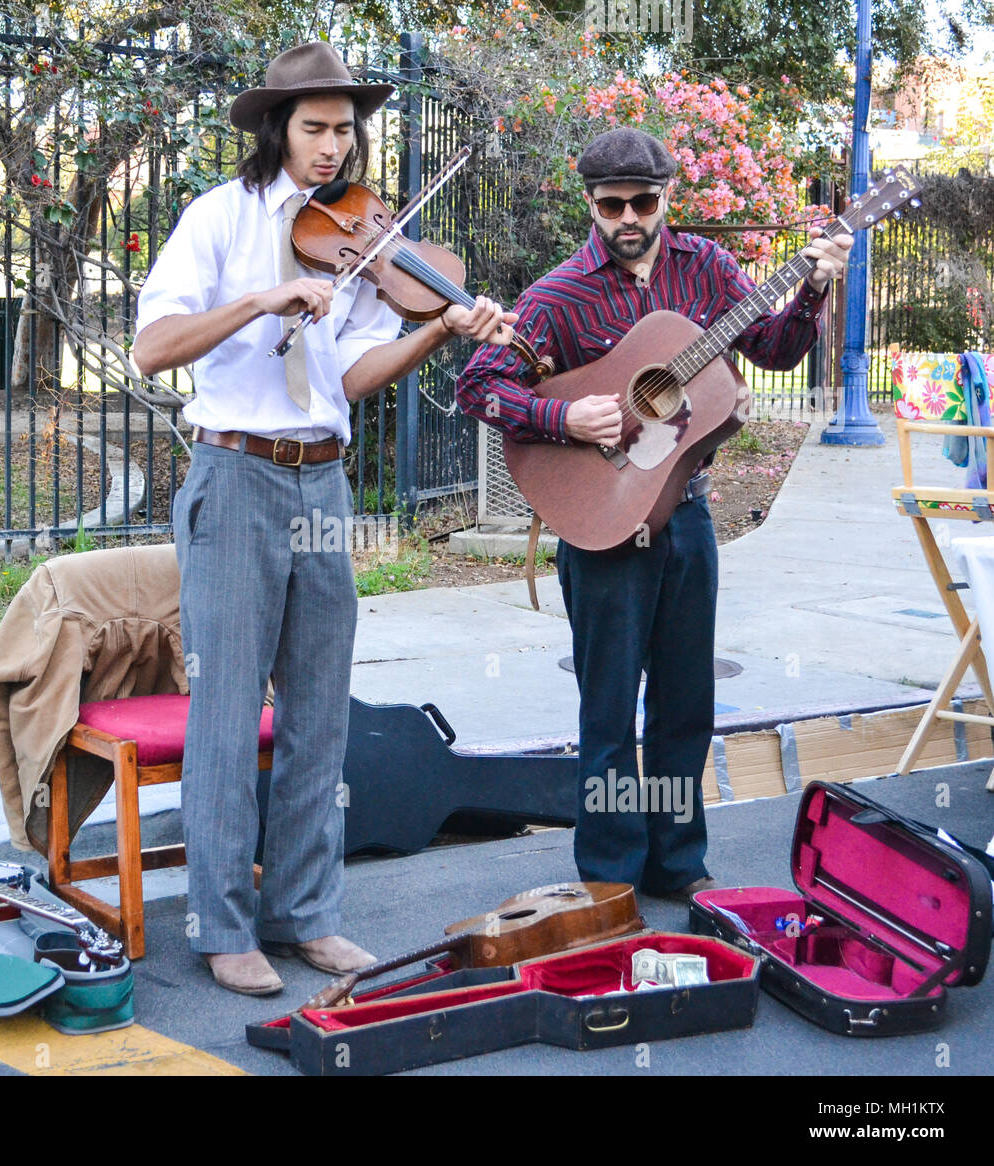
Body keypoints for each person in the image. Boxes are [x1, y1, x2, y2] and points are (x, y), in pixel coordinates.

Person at [132, 42, 516, 995]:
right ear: (278, 130)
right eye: (316, 129)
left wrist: (434, 328)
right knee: (225, 712)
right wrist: (263, 298)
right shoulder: (217, 220)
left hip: (323, 482)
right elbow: (152, 349)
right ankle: (222, 925)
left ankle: (306, 913)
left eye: (346, 129)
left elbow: (348, 379)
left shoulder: (364, 240)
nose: (335, 147)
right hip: (235, 475)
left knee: (317, 708)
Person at [456, 126, 851, 901]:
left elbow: (771, 348)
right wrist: (564, 422)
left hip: (687, 514)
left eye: (645, 200)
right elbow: (480, 385)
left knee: (685, 705)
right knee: (608, 712)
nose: (630, 216)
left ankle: (678, 862)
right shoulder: (560, 293)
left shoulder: (706, 269)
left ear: (667, 196)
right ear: (591, 204)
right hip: (601, 524)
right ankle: (608, 875)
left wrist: (812, 286)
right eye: (613, 204)